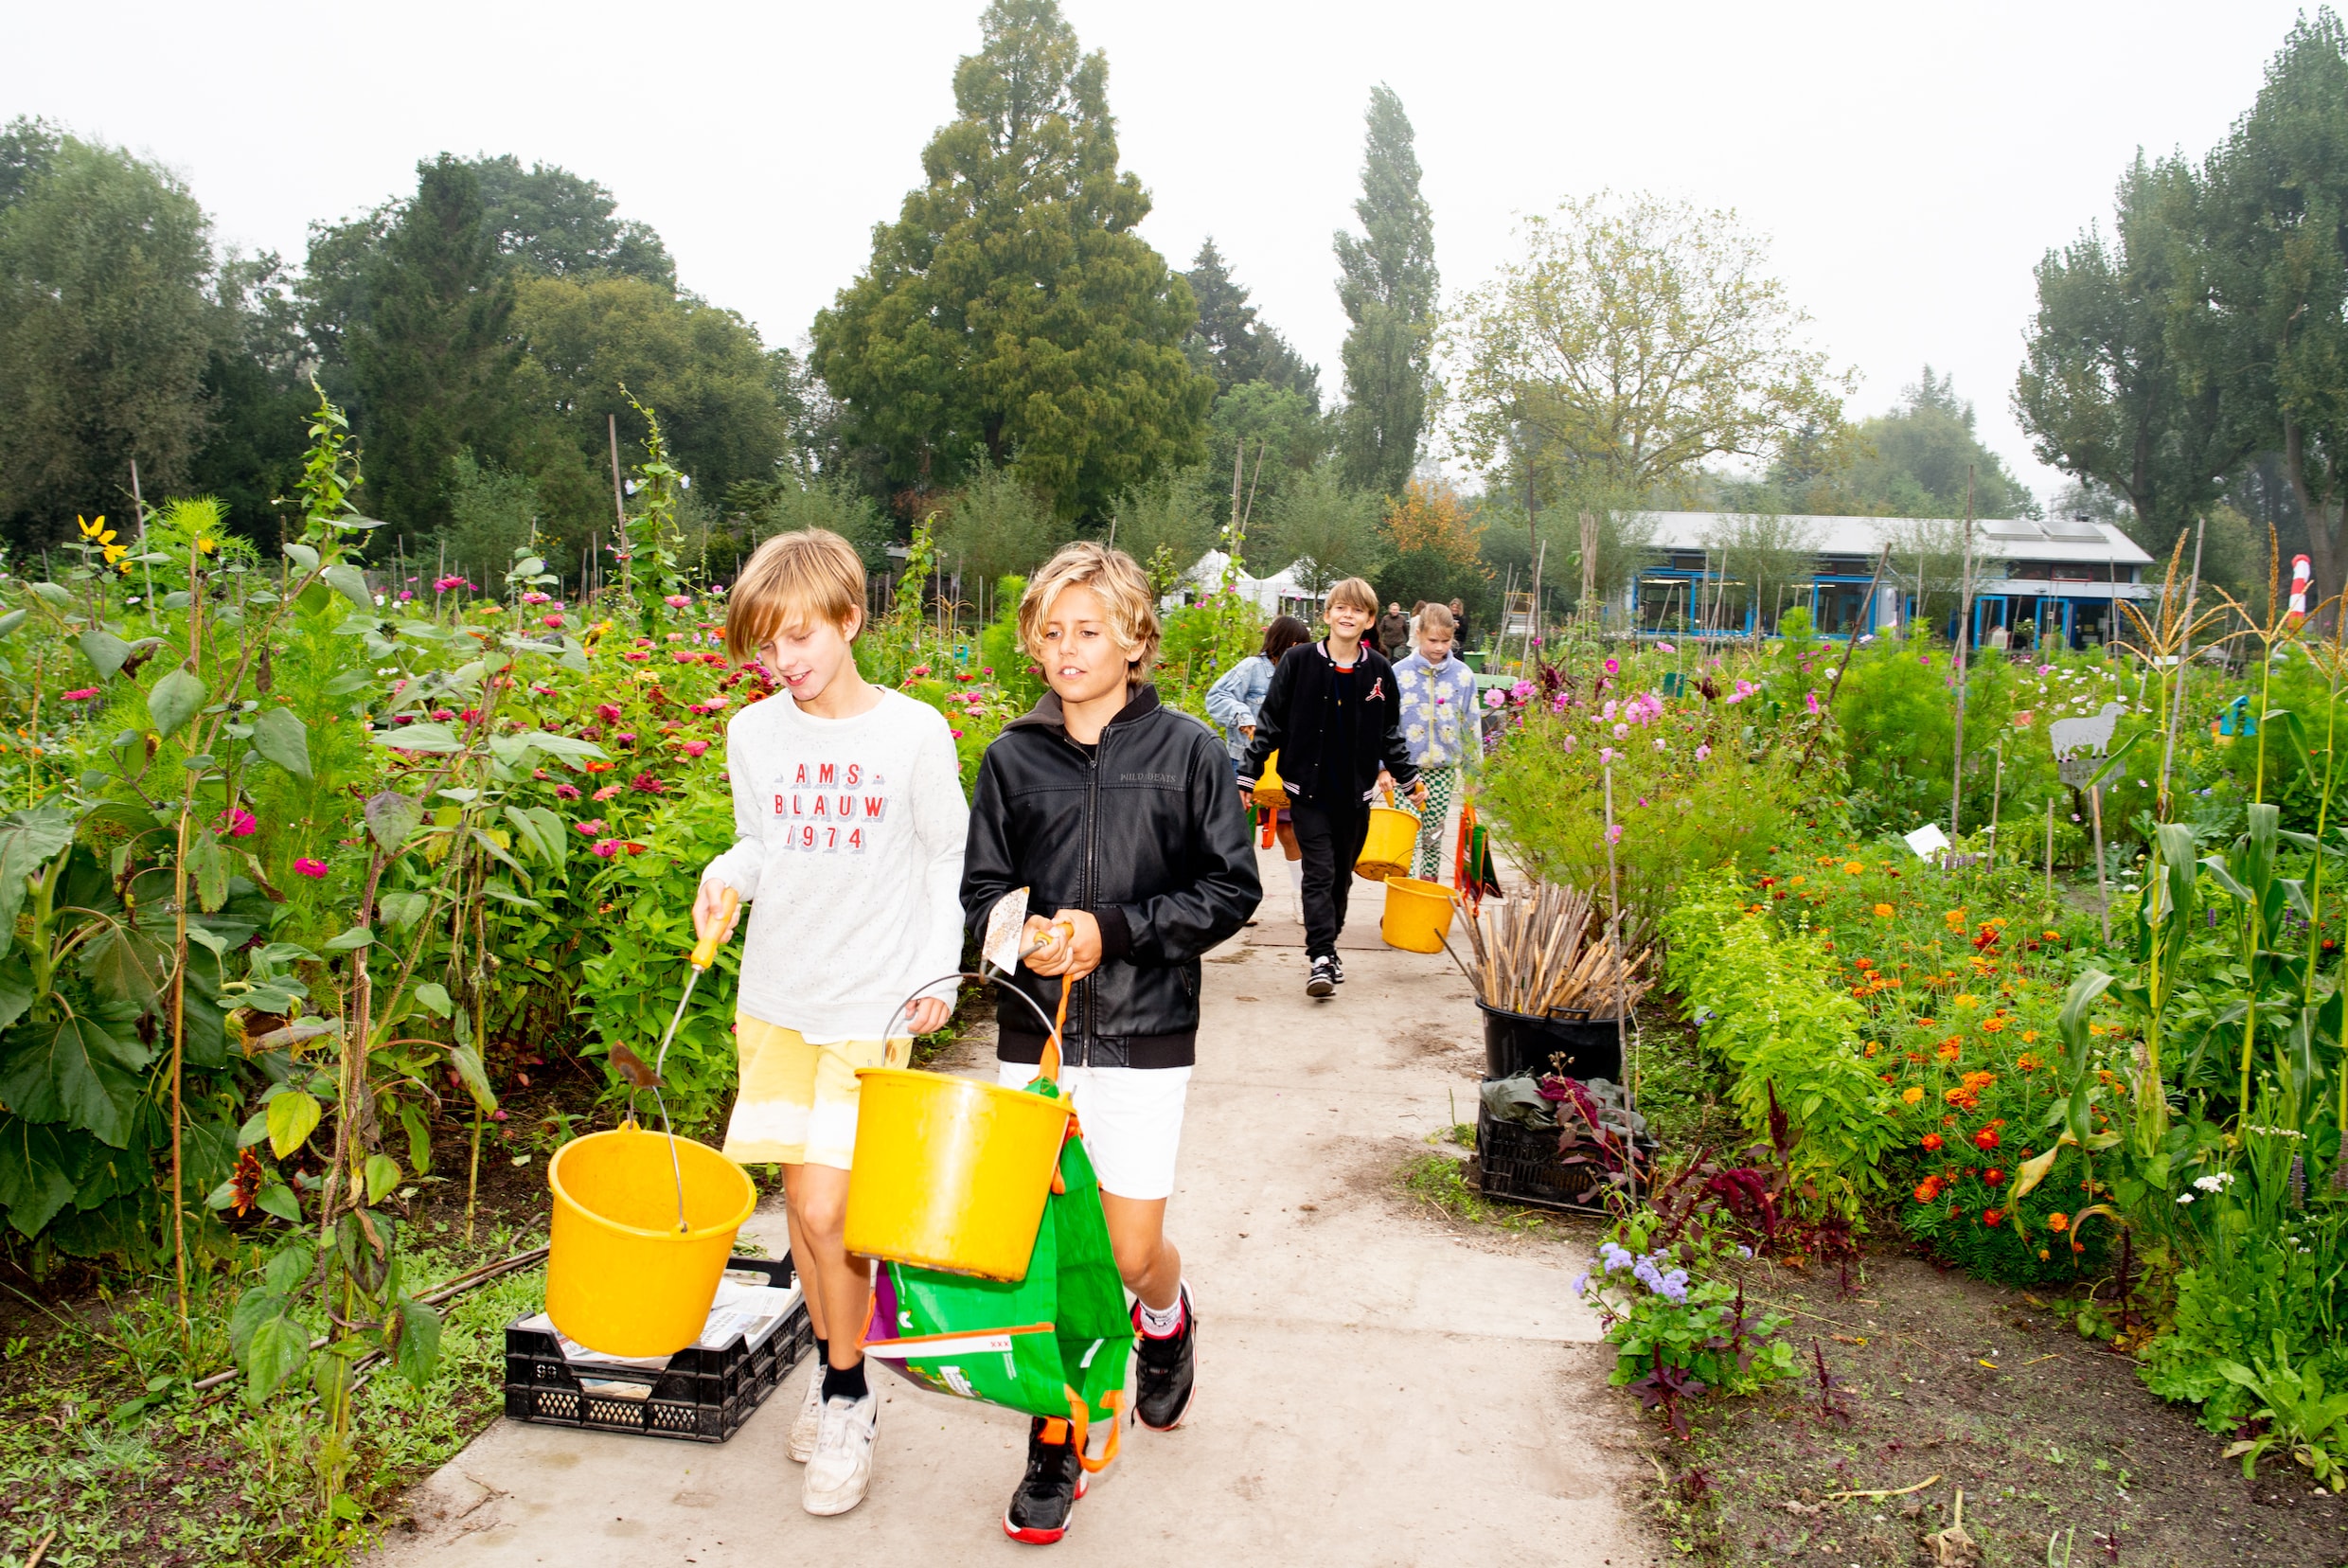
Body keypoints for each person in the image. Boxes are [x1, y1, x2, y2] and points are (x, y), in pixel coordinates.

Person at [962, 543, 1259, 1544]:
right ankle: (1056, 1435)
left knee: (1128, 1253)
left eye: (1089, 629)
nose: (1067, 648)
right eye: (1050, 632)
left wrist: (1112, 930)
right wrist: (1024, 940)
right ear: (1031, 648)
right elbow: (979, 898)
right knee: (1046, 1256)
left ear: (1137, 639)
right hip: (1034, 1040)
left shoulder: (1190, 753)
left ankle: (1166, 1316)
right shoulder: (1010, 759)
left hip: (1144, 1030)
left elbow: (1231, 890)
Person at [691, 528, 969, 1517]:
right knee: (804, 1224)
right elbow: (760, 846)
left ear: (851, 619)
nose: (785, 663)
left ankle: (848, 1397)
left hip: (869, 1002)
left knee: (824, 1212)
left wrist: (940, 967)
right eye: (769, 647)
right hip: (776, 1002)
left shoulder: (912, 733)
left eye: (800, 637)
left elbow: (946, 858)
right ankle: (828, 1359)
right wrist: (725, 878)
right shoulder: (755, 734)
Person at [1237, 578, 1422, 998]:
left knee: (1340, 879)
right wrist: (1249, 773)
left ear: (1370, 620)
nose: (1347, 615)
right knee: (1318, 873)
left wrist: (1408, 778)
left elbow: (1389, 733)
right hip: (1308, 791)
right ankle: (1320, 957)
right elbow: (1270, 723)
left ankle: (1329, 948)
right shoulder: (1298, 662)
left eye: (1357, 610)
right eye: (1340, 607)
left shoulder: (1378, 671)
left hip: (1354, 795)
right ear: (1327, 614)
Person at [1203, 615, 1312, 919]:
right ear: (1288, 645)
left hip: (1280, 769)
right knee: (1243, 831)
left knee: (1288, 828)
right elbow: (1216, 696)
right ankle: (1243, 902)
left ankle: (1303, 898)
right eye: (1300, 646)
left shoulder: (1299, 675)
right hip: (1244, 763)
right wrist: (1243, 716)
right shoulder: (1253, 669)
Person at [1393, 601, 1482, 882]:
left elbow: (1471, 726)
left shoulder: (1463, 676)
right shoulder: (1398, 674)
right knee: (1403, 837)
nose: (1439, 647)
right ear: (1418, 633)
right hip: (1404, 772)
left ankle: (1425, 890)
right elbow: (1385, 725)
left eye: (1445, 641)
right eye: (1433, 640)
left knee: (1433, 836)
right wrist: (1382, 766)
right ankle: (1400, 896)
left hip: (1443, 772)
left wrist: (1472, 773)